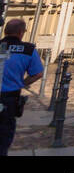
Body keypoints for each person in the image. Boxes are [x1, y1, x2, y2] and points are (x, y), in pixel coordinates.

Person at [2, 18, 45, 156]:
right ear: (21, 33)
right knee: (3, 136)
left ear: (5, 31)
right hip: (9, 98)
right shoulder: (28, 49)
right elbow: (38, 74)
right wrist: (22, 83)